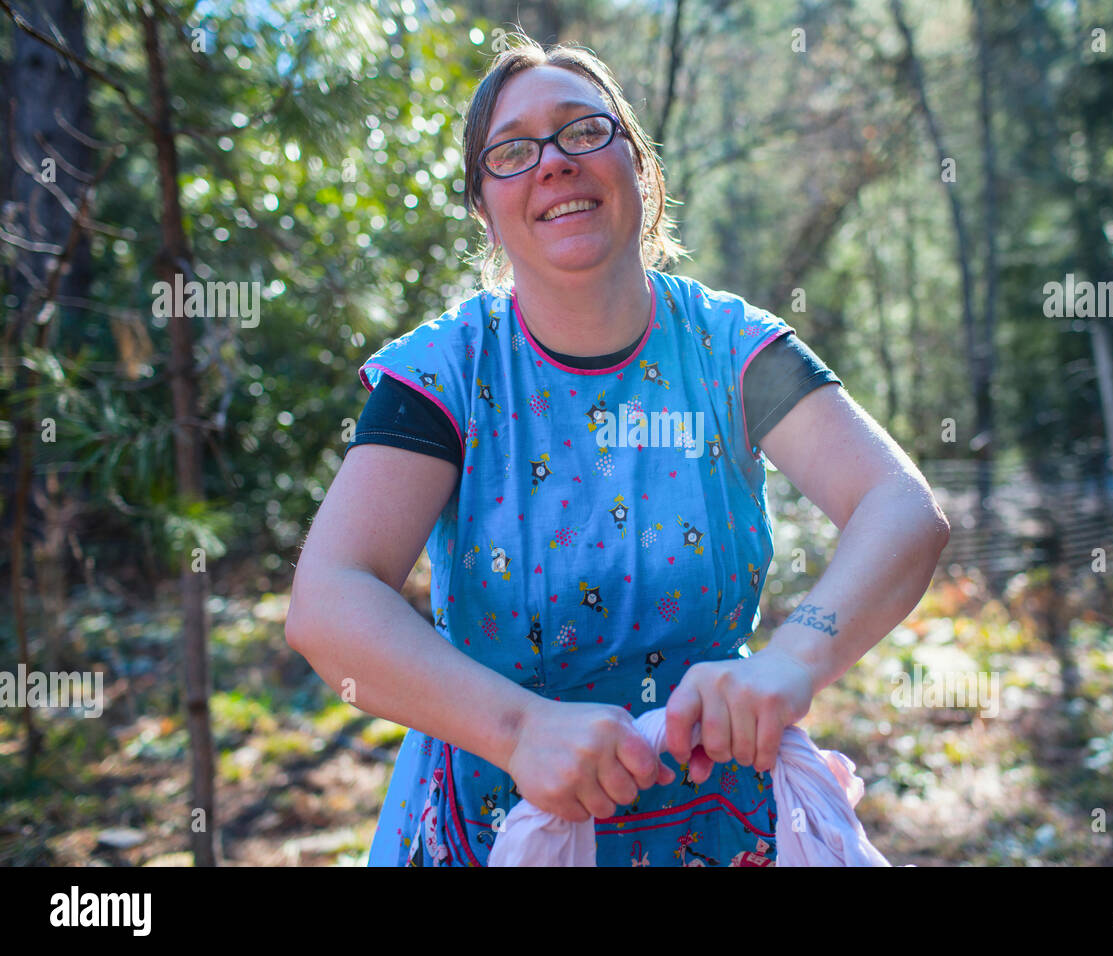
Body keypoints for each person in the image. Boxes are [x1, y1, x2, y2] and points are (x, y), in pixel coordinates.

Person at [286, 33, 951, 867]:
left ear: (640, 167)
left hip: (721, 822)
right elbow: (328, 598)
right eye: (514, 150)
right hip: (501, 821)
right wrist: (520, 728)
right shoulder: (445, 372)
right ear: (484, 210)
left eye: (583, 131)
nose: (555, 163)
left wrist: (795, 658)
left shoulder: (732, 349)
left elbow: (901, 508)